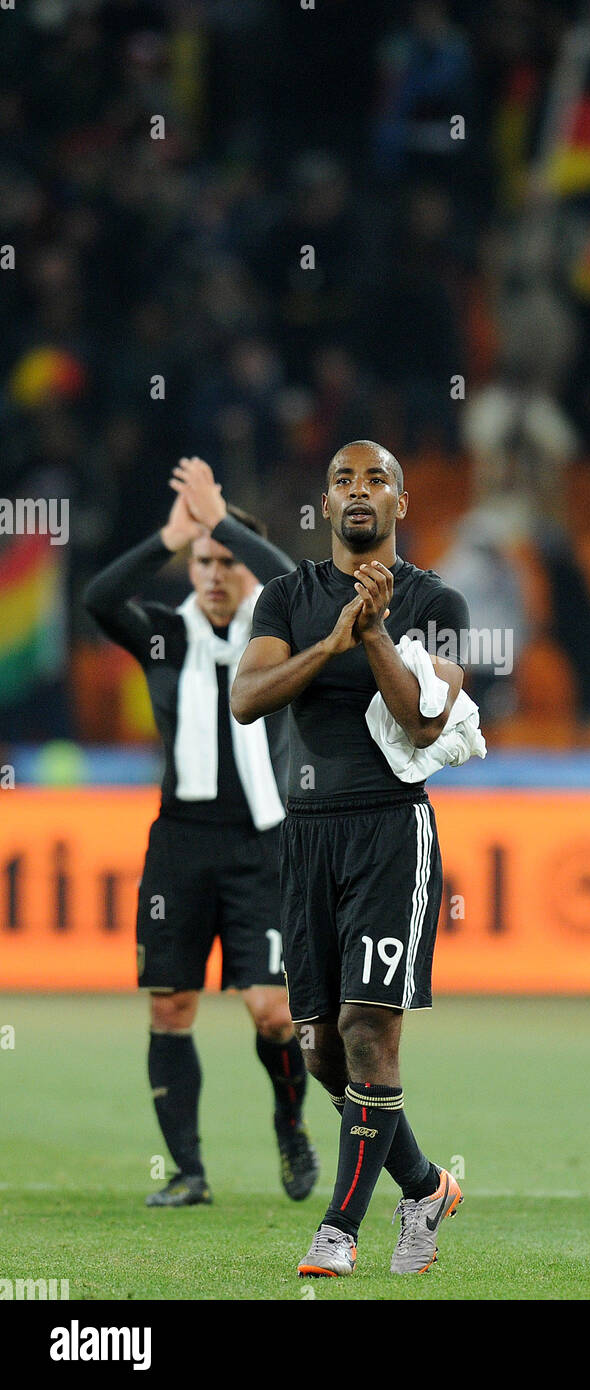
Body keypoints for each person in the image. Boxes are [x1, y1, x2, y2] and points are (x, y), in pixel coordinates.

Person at [231, 439, 468, 1276]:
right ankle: (425, 1187)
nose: (358, 490)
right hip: (305, 833)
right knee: (321, 1049)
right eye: (343, 480)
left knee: (368, 1029)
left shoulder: (436, 601)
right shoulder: (286, 597)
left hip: (389, 830)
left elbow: (424, 723)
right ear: (325, 504)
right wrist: (329, 643)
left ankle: (338, 1229)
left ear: (401, 502)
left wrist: (372, 637)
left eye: (376, 479)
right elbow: (246, 698)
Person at [84, 457, 318, 1208]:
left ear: (246, 568)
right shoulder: (163, 635)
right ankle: (188, 1172)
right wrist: (170, 535)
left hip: (264, 845)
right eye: (203, 562)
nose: (215, 574)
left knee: (273, 1011)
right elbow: (98, 597)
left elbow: (295, 580)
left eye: (227, 561)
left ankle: (290, 1127)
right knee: (170, 1007)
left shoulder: (276, 638)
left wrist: (219, 521)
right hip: (180, 845)